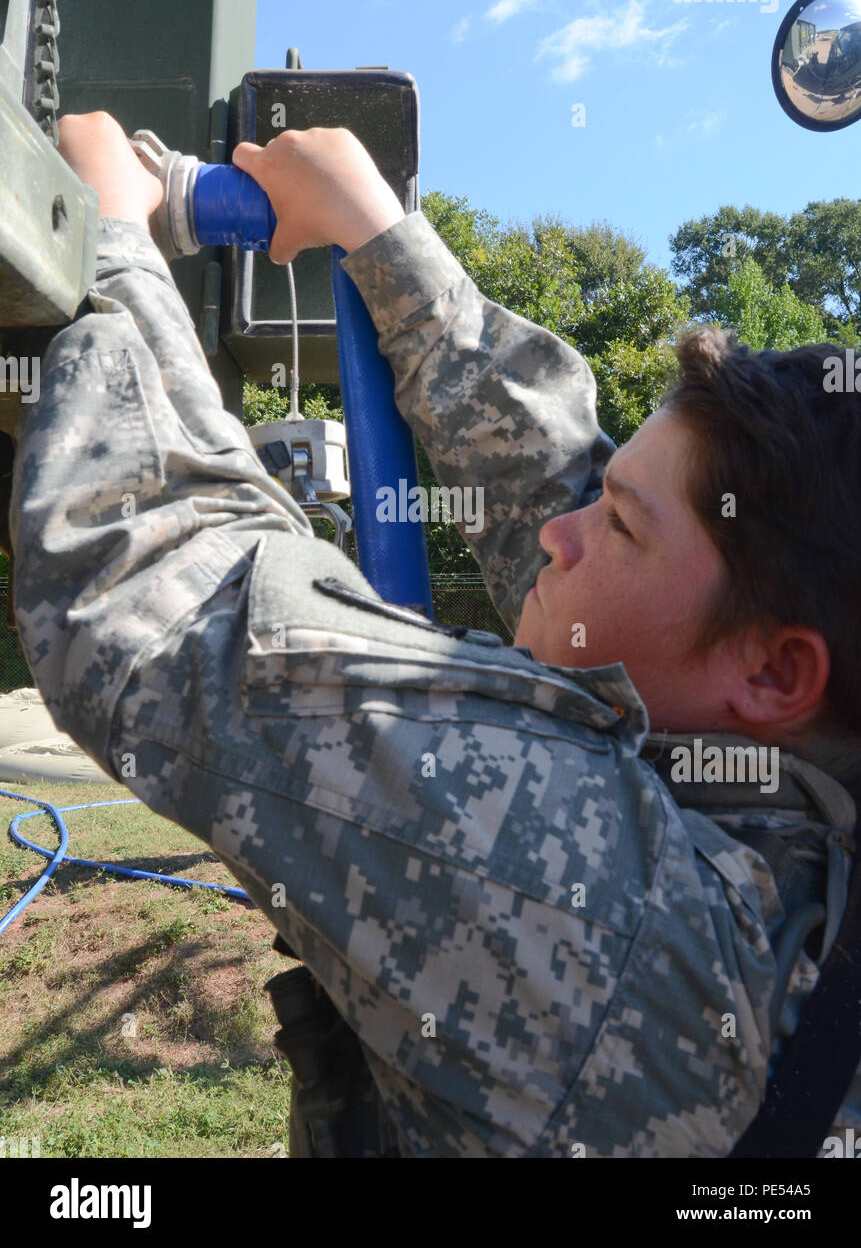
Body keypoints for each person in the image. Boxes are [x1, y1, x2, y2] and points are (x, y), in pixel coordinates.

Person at [8, 111, 859, 1158]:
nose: (561, 532)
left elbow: (168, 582)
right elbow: (565, 490)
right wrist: (378, 234)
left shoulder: (614, 912)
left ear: (775, 672)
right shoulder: (796, 818)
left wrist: (110, 238)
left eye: (620, 524)